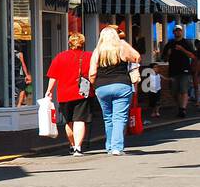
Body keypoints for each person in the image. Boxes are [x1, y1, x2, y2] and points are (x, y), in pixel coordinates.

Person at [89, 25, 140, 156]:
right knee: (119, 117)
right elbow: (137, 57)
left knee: (108, 118)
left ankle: (110, 146)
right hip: (122, 85)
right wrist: (124, 43)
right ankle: (117, 147)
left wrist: (95, 86)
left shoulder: (97, 51)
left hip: (102, 87)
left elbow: (92, 73)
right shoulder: (121, 47)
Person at [43, 32, 93, 156]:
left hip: (64, 94)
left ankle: (72, 145)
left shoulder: (60, 57)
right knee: (80, 120)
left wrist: (49, 91)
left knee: (69, 121)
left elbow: (53, 76)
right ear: (83, 43)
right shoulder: (89, 56)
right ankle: (78, 147)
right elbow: (93, 74)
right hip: (83, 93)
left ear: (70, 43)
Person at [161, 25, 197, 118]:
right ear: (173, 32)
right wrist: (168, 55)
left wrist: (182, 49)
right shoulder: (170, 43)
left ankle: (183, 109)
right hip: (173, 70)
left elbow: (192, 56)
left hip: (185, 70)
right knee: (174, 91)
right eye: (176, 31)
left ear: (182, 32)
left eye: (179, 31)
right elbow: (164, 59)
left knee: (183, 89)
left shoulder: (186, 43)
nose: (178, 32)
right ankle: (180, 107)